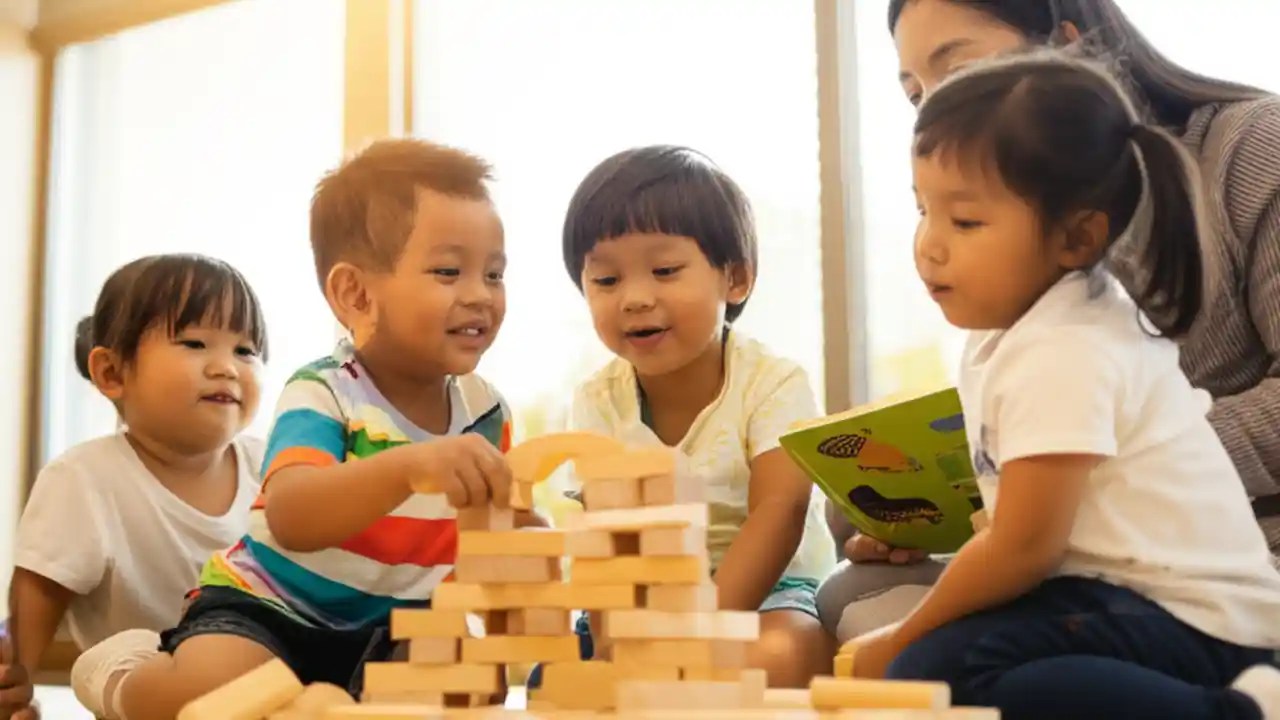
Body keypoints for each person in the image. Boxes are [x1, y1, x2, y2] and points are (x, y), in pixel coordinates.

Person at [819, 0, 1280, 645]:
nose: (935, 111)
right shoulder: (996, 224)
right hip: (1080, 555)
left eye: (955, 72)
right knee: (851, 591)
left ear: (1072, 48)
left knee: (926, 648)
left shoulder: (1251, 145)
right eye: (915, 93)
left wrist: (1083, 475)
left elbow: (1077, 444)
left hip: (1215, 560)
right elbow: (1031, 425)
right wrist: (911, 507)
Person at [68, 139, 533, 720]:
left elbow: (478, 539)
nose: (479, 295)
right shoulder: (326, 392)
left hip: (398, 627)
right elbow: (292, 516)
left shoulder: (487, 415)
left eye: (494, 274)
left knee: (474, 686)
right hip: (273, 610)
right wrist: (411, 465)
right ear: (356, 294)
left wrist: (519, 541)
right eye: (448, 271)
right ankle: (123, 672)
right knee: (214, 693)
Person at [555, 145, 837, 687]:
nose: (635, 298)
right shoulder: (597, 399)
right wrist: (618, 647)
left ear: (734, 280)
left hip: (766, 593)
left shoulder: (774, 382)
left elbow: (779, 512)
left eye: (664, 270)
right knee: (560, 679)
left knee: (780, 654)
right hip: (645, 601)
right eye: (606, 281)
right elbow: (606, 541)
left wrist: (702, 635)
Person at [0, 254, 269, 720]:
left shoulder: (272, 466)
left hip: (266, 697)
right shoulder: (84, 480)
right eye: (194, 343)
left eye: (245, 351)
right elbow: (36, 596)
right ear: (112, 373)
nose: (227, 367)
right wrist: (14, 684)